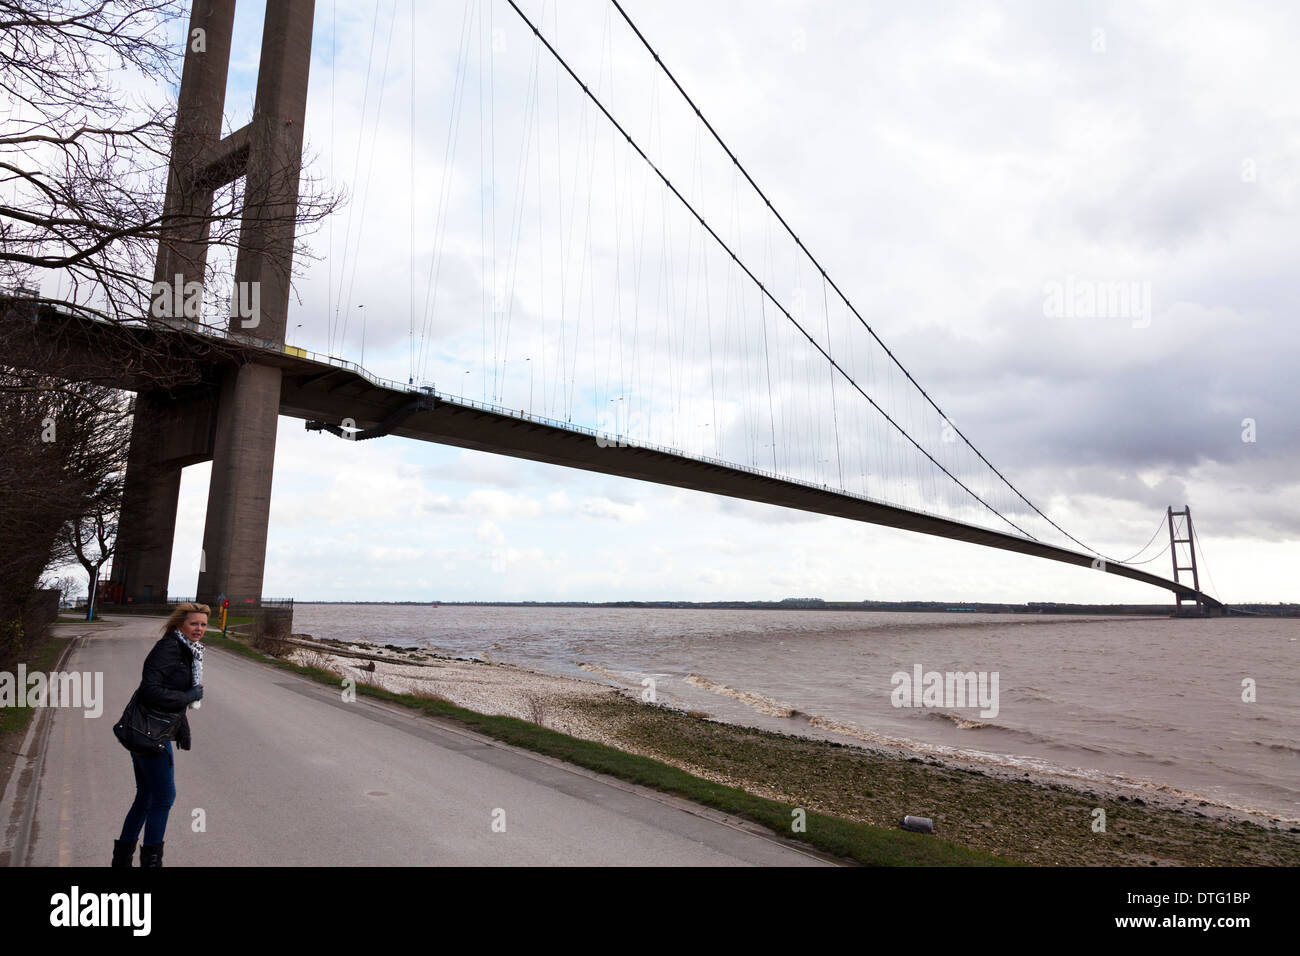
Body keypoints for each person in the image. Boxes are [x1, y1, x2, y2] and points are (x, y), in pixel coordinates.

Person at [112, 602, 207, 867]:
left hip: (152, 731)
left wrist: (182, 728)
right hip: (149, 734)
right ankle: (151, 862)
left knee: (146, 796)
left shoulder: (186, 649)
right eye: (193, 623)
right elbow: (149, 690)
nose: (199, 629)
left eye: (203, 624)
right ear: (180, 625)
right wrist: (188, 696)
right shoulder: (169, 648)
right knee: (164, 798)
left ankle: (121, 860)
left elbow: (167, 695)